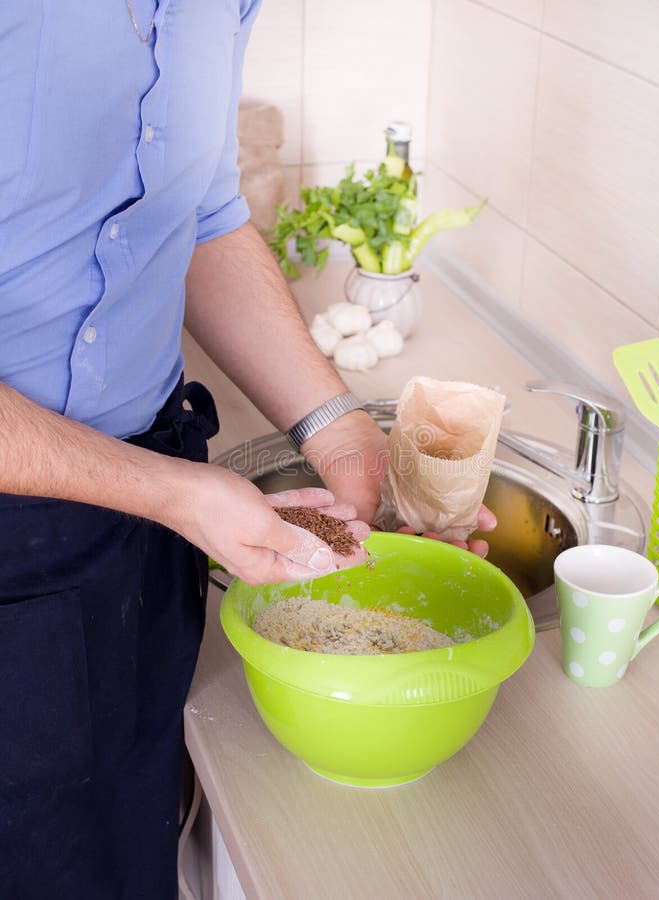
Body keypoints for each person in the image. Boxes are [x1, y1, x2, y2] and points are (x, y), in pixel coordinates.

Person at [0, 2, 495, 897]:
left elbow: (202, 219)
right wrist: (175, 494)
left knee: (122, 836)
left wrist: (343, 434)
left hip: (142, 519)